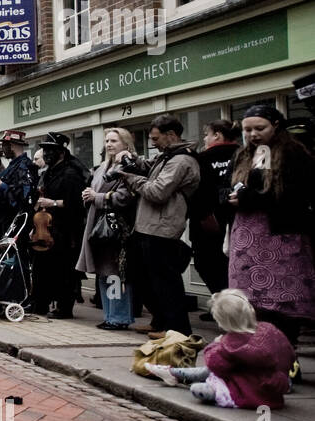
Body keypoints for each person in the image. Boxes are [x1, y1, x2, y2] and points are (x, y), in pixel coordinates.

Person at [226, 105, 315, 357]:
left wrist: (251, 198)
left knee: (280, 301)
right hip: (248, 236)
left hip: (281, 235)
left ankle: (285, 355)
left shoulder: (293, 154)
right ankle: (259, 351)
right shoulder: (244, 155)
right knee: (251, 301)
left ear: (276, 125)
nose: (253, 134)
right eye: (247, 130)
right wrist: (229, 197)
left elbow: (294, 195)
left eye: (259, 128)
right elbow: (231, 186)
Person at [116, 114, 200, 338]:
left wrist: (130, 178)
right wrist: (132, 160)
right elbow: (149, 168)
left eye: (155, 138)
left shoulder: (182, 160)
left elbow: (157, 192)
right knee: (140, 276)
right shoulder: (167, 156)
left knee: (165, 280)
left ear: (171, 135)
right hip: (146, 225)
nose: (152, 142)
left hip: (162, 227)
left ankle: (177, 329)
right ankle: (159, 320)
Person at [145, 290, 292, 409]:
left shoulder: (230, 342)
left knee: (198, 388)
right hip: (272, 390)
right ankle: (172, 373)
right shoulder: (270, 330)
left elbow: (215, 366)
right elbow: (289, 355)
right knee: (208, 374)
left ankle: (172, 373)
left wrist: (216, 344)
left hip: (247, 391)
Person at [77, 128, 139, 329]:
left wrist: (98, 197)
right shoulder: (102, 166)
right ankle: (109, 314)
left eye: (114, 140)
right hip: (97, 225)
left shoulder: (129, 165)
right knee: (104, 273)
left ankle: (119, 317)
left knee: (115, 273)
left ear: (125, 143)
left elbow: (126, 197)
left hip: (117, 227)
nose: (109, 144)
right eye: (107, 141)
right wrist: (89, 194)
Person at [28, 132, 88, 318]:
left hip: (64, 231)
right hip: (45, 229)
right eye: (44, 150)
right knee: (41, 269)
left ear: (61, 152)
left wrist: (52, 203)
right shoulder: (48, 174)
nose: (46, 154)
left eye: (50, 150)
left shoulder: (70, 174)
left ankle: (64, 307)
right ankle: (40, 304)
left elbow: (76, 204)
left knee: (63, 270)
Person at [190, 118, 240, 302]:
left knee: (207, 265)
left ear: (217, 135)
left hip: (207, 224)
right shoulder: (242, 154)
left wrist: (203, 216)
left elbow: (196, 192)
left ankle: (224, 305)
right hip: (238, 222)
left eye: (206, 135)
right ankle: (233, 307)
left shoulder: (202, 158)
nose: (204, 139)